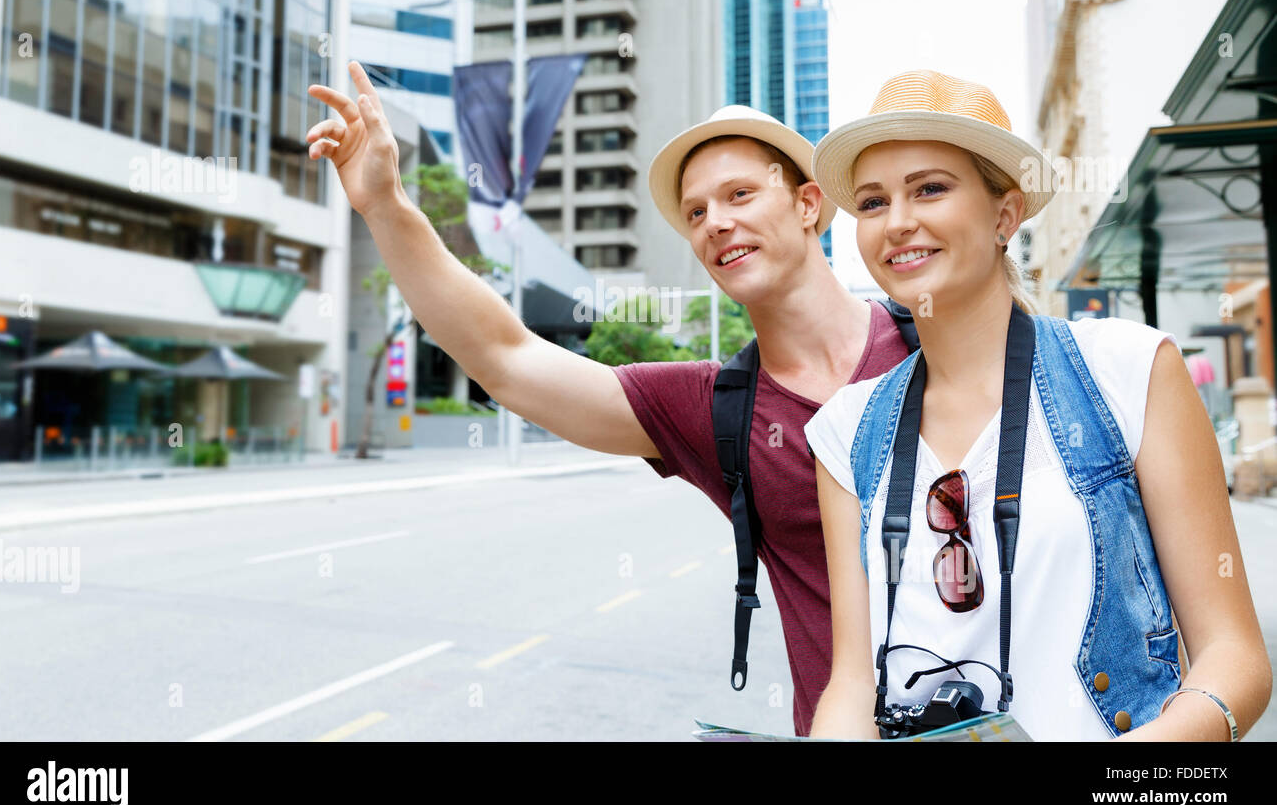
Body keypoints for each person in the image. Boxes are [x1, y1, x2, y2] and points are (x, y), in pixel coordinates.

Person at [305, 61, 912, 736]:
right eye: (696, 212)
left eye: (740, 194)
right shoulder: (715, 409)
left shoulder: (933, 346)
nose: (715, 222)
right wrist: (386, 204)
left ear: (807, 204)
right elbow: (507, 358)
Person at [803, 69, 1271, 740]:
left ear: (1005, 214)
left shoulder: (1129, 371)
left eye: (930, 188)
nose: (898, 222)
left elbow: (1236, 660)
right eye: (872, 203)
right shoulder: (845, 432)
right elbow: (853, 681)